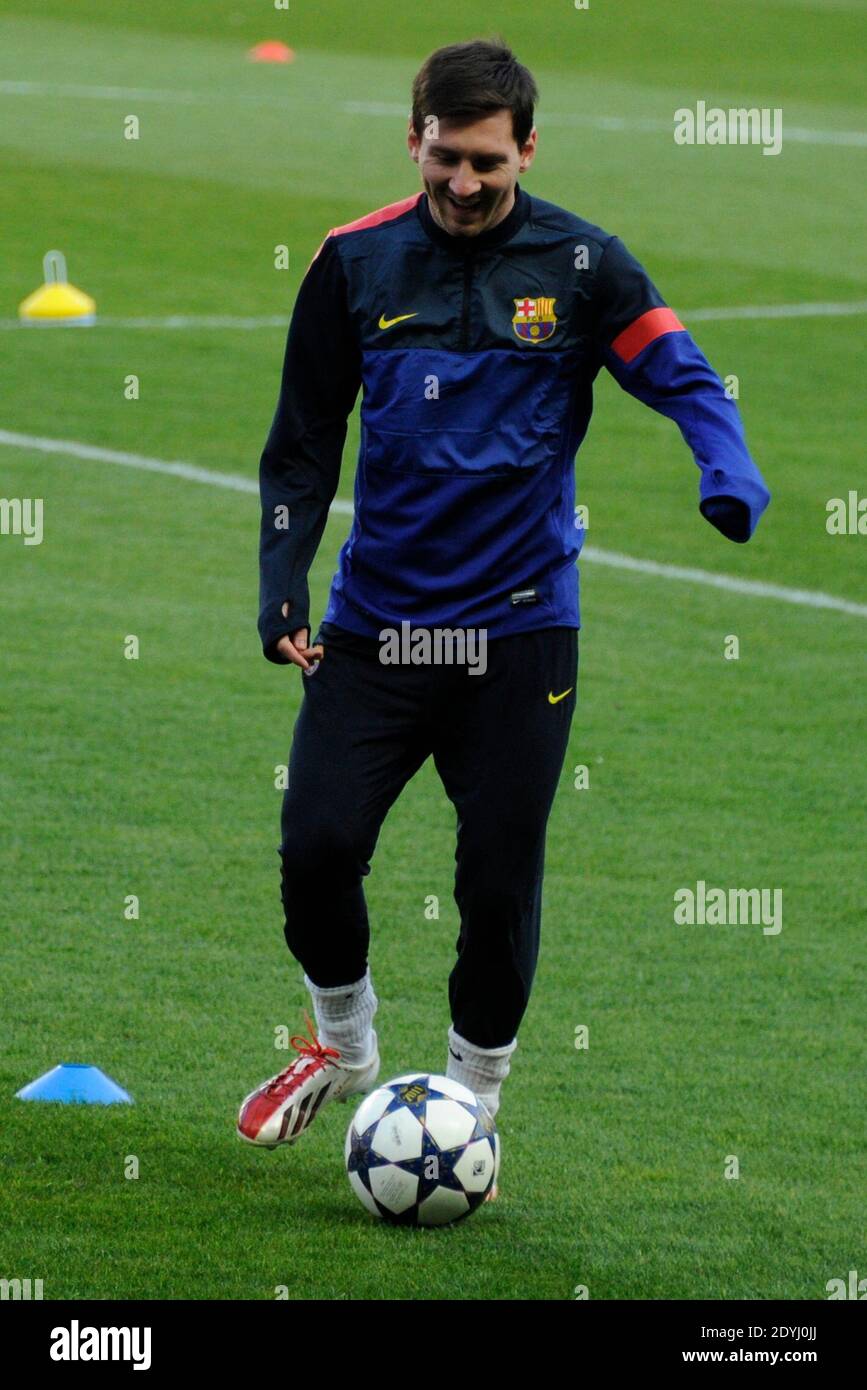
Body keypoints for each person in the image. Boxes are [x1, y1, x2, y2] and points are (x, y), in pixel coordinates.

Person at [237, 39, 770, 1167]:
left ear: (527, 147)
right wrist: (281, 578)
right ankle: (343, 1050)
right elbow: (300, 442)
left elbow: (679, 369)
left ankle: (473, 1101)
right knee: (317, 844)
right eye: (444, 158)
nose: (464, 184)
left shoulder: (584, 264)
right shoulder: (353, 263)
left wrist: (728, 467)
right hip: (376, 628)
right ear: (414, 139)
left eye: (487, 161)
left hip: (521, 637)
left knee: (496, 877)